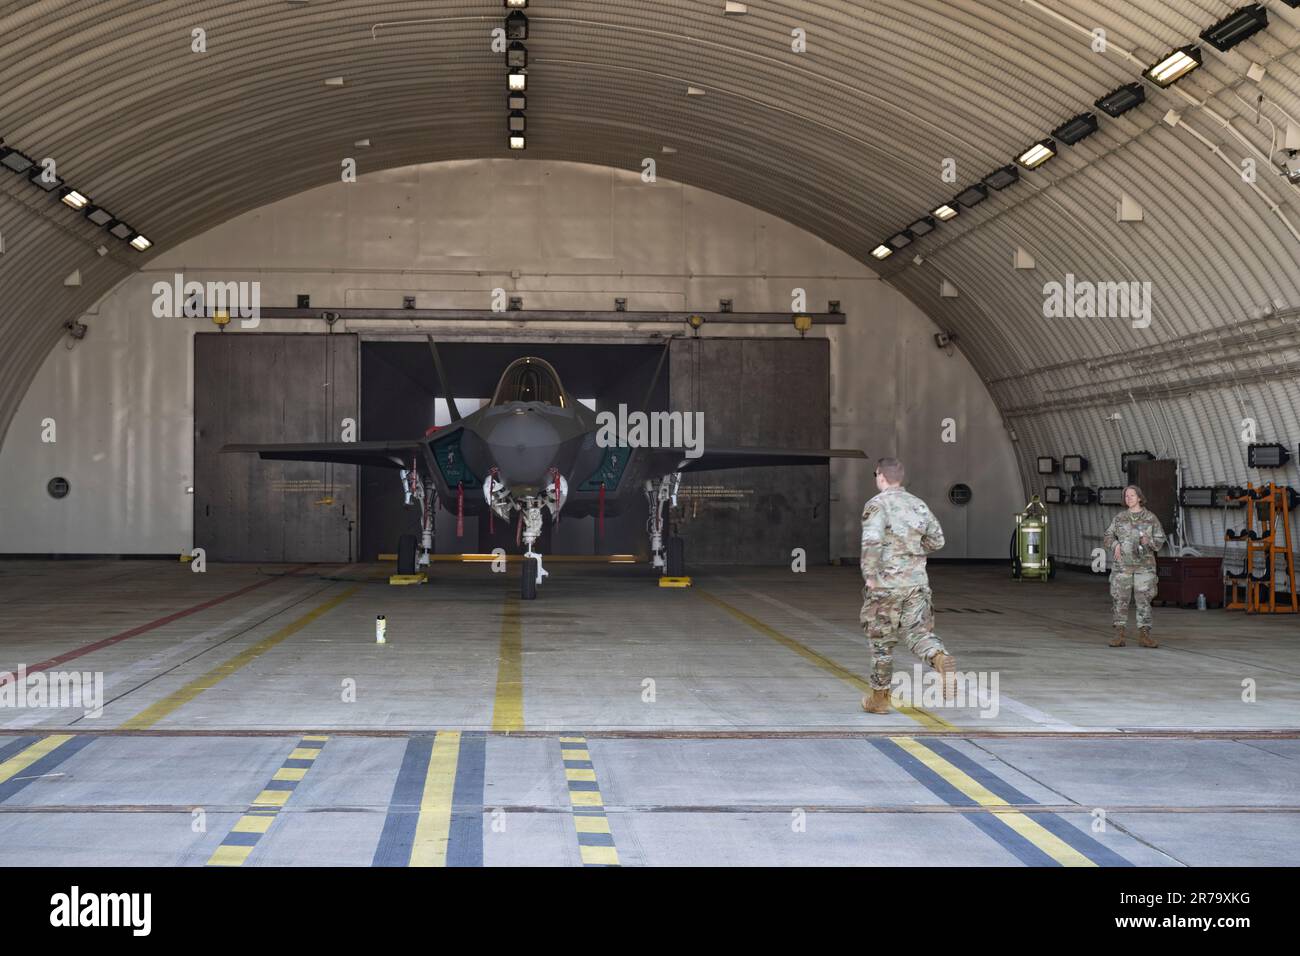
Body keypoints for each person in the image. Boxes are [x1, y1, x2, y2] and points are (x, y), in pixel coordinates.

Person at [859, 457, 955, 714]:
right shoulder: (918, 505)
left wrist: (869, 574)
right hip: (916, 583)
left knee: (882, 642)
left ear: (880, 476)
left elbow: (872, 541)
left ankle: (879, 699)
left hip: (885, 585)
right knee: (918, 633)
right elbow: (938, 540)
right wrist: (912, 551)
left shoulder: (877, 505)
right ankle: (939, 657)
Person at [1102, 484, 1166, 648]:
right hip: (1122, 567)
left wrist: (1148, 541)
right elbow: (1108, 535)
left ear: (1139, 497)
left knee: (1144, 600)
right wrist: (1115, 544)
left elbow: (1160, 540)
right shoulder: (1120, 518)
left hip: (1144, 567)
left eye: (1132, 496)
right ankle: (1119, 634)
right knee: (1120, 600)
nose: (1128, 499)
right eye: (1126, 496)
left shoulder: (1150, 518)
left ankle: (1144, 635)